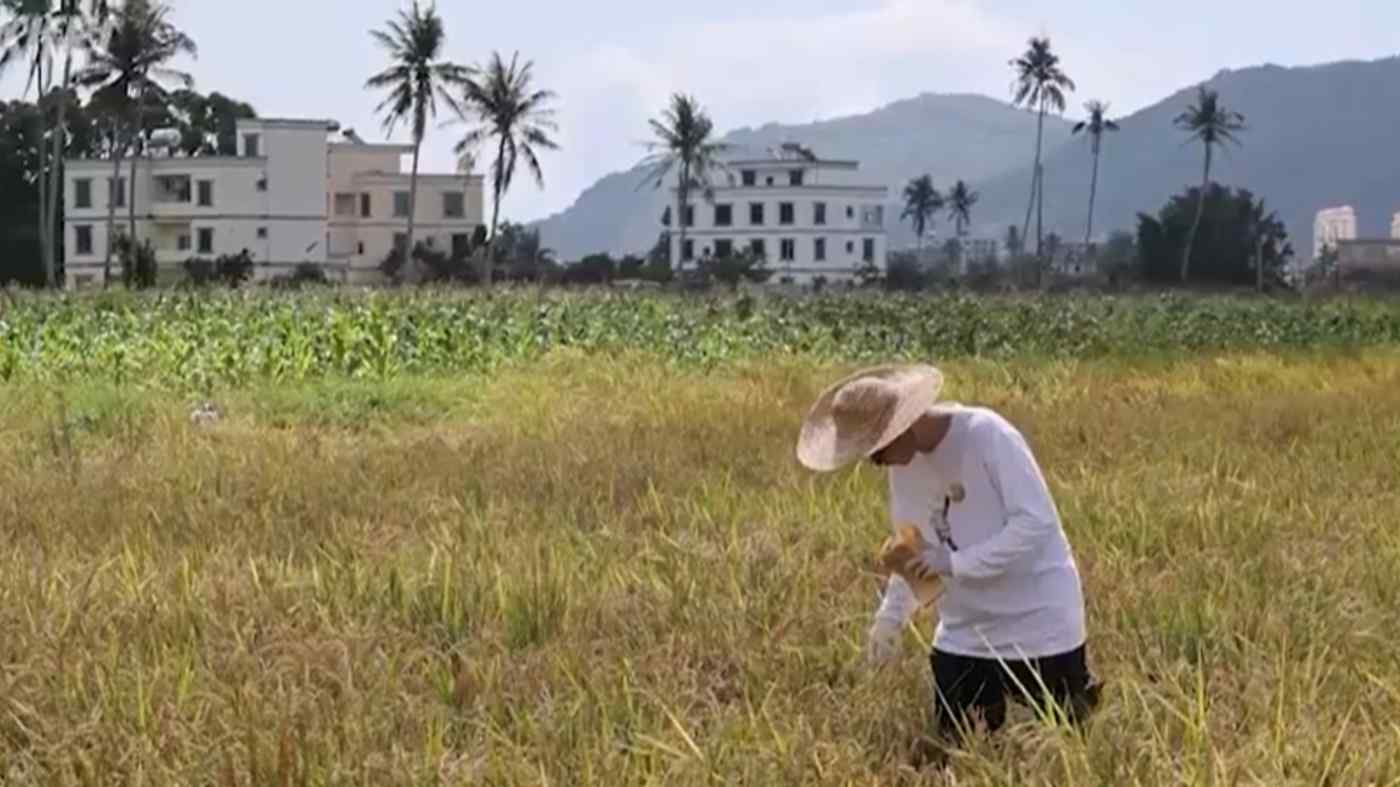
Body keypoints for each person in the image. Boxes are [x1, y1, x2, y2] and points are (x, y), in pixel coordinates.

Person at [796, 363, 1100, 742]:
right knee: (957, 746)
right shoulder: (903, 469)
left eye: (877, 449)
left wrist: (955, 563)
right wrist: (889, 621)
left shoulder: (987, 435)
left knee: (1060, 745)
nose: (875, 463)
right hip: (965, 634)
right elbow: (911, 549)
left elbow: (1035, 525)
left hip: (1039, 624)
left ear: (903, 426)